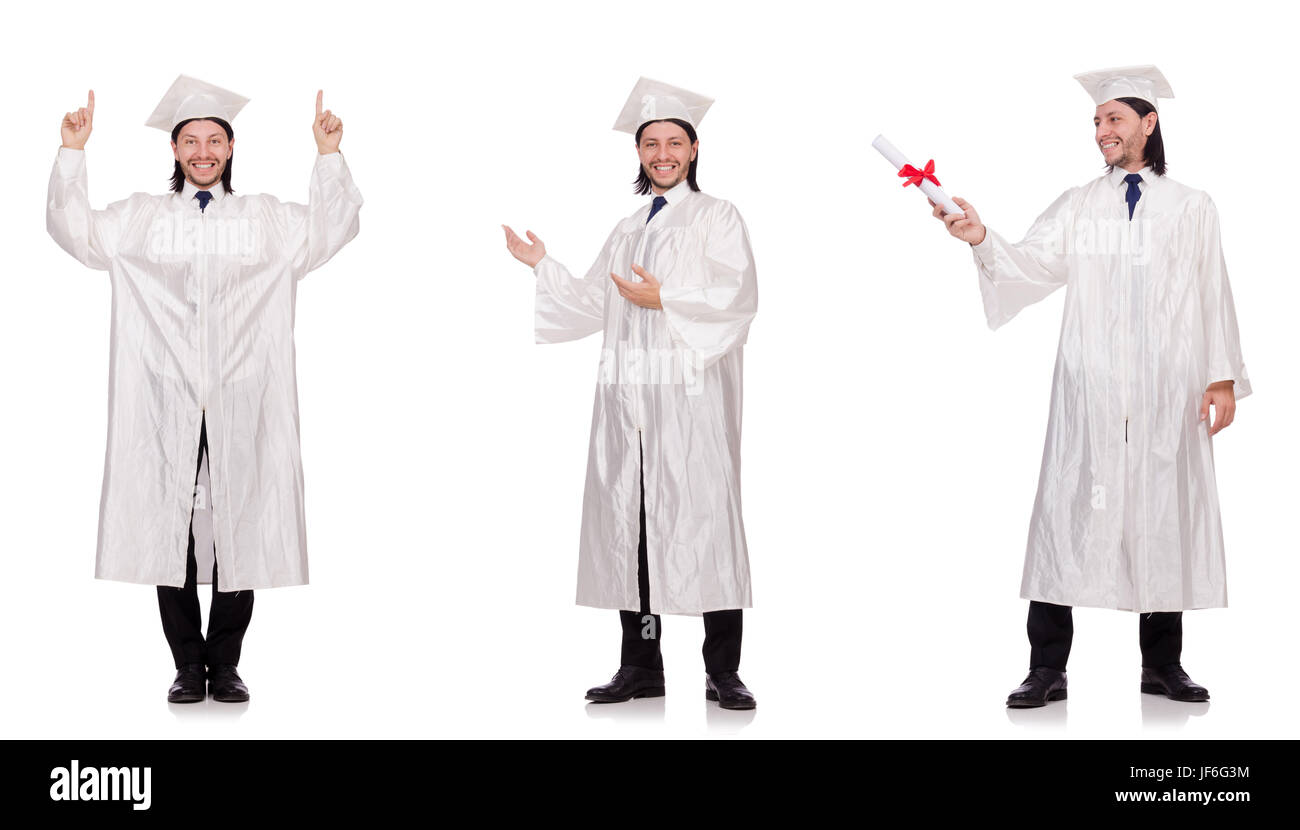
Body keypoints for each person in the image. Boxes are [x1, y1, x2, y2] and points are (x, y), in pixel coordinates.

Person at [931, 65, 1250, 708]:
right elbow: (1032, 263)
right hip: (1092, 388)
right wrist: (983, 238)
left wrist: (1220, 377)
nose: (1102, 131)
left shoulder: (1191, 206)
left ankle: (1163, 665)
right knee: (1067, 510)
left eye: (1114, 119)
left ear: (1148, 123)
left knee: (1162, 516)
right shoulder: (1081, 204)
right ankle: (1046, 667)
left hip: (1166, 389)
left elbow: (1212, 288)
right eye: (1097, 121)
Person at [47, 76, 363, 703]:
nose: (202, 150)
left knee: (238, 526)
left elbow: (334, 229)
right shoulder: (140, 217)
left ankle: (227, 664)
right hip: (162, 398)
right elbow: (74, 230)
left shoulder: (265, 218)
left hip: (244, 397)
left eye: (213, 140)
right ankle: (187, 664)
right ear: (173, 149)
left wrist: (328, 157)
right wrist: (72, 152)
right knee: (174, 532)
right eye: (190, 140)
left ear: (230, 147)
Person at [503, 78, 759, 709]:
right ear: (640, 154)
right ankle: (641, 664)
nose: (662, 153)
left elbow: (738, 297)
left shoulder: (718, 217)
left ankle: (722, 670)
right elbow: (595, 298)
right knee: (634, 530)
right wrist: (543, 265)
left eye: (674, 142)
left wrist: (665, 297)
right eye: (651, 144)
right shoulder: (626, 227)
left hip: (690, 405)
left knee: (708, 527)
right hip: (629, 408)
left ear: (694, 150)